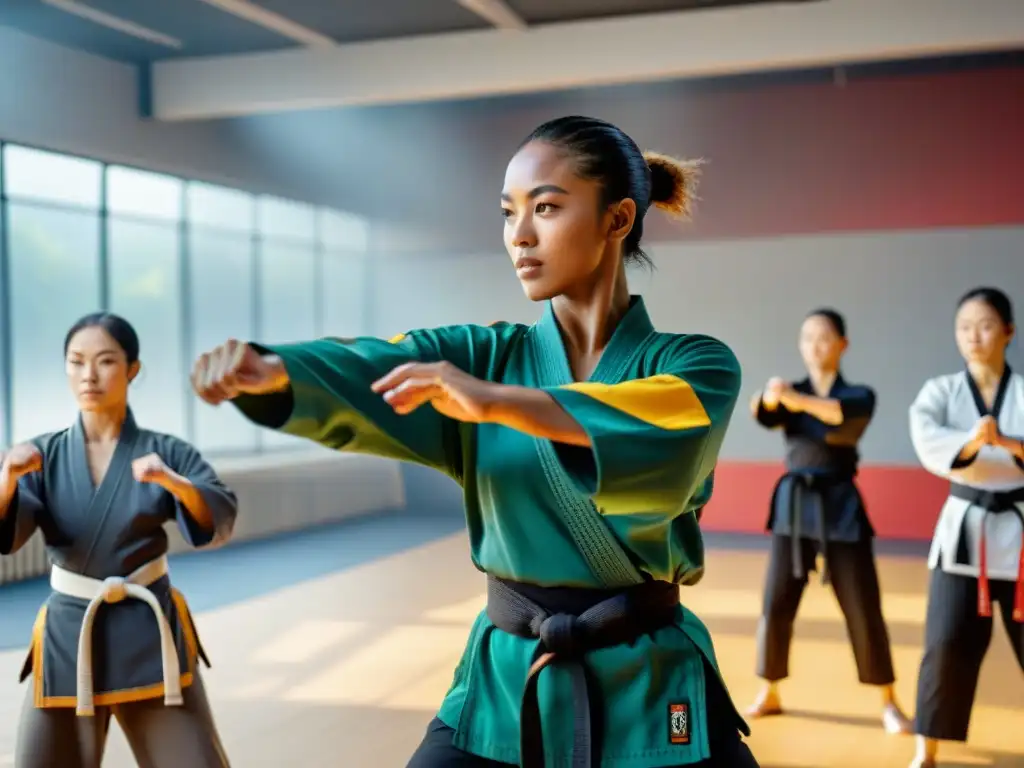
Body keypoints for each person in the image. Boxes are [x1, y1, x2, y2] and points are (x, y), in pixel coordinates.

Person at [190, 115, 756, 767]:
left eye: (546, 207)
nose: (520, 235)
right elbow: (376, 365)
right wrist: (277, 371)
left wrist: (494, 401)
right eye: (509, 213)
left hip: (647, 680)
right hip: (506, 676)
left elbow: (659, 429)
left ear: (618, 218)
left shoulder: (697, 364)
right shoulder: (481, 358)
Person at [0, 312, 238, 768]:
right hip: (70, 634)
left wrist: (174, 482)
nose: (88, 375)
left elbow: (217, 511)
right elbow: (8, 533)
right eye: (76, 361)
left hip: (149, 631)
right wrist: (7, 478)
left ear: (132, 369)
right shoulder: (40, 454)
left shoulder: (166, 452)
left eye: (106, 360)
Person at [745, 309, 912, 734]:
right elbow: (764, 413)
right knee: (776, 603)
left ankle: (888, 700)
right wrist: (769, 397)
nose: (815, 346)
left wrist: (792, 399)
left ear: (843, 344)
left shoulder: (857, 395)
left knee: (863, 604)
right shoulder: (790, 391)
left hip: (840, 505)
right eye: (807, 338)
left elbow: (838, 418)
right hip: (794, 504)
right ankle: (770, 689)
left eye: (823, 337)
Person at [907, 287, 1024, 768]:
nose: (973, 336)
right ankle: (926, 747)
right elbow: (928, 440)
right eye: (964, 327)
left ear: (1008, 332)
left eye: (986, 325)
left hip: (1019, 535)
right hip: (963, 533)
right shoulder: (940, 392)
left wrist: (1008, 443)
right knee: (944, 642)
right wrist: (975, 443)